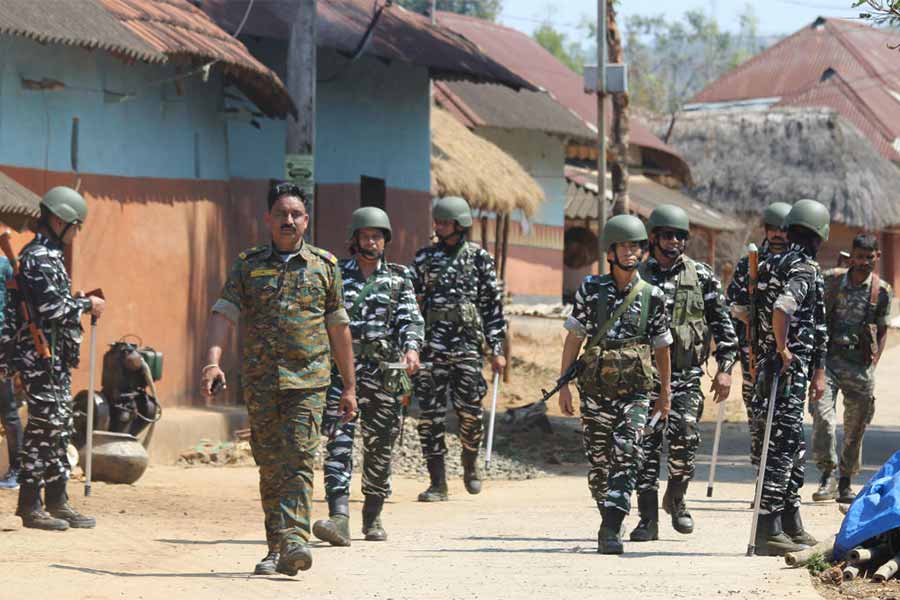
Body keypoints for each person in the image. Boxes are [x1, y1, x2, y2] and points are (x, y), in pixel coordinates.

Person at [202, 182, 357, 577]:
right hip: (262, 381)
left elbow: (338, 328)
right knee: (270, 466)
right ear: (268, 219)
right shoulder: (248, 265)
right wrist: (213, 362)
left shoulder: (325, 266)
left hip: (309, 382)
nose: (288, 220)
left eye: (296, 214)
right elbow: (224, 313)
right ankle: (276, 548)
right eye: (281, 214)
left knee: (300, 460)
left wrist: (350, 385)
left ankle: (295, 540)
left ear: (306, 220)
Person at [559, 214, 672, 554]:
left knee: (627, 451)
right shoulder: (591, 290)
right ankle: (611, 510)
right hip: (595, 392)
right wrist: (563, 384)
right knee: (599, 465)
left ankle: (609, 527)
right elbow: (573, 338)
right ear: (610, 251)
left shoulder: (653, 295)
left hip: (636, 392)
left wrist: (664, 392)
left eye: (635, 245)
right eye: (623, 245)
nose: (630, 252)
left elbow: (662, 346)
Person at [312, 207, 424, 546]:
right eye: (365, 236)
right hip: (342, 375)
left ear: (384, 240)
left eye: (377, 236)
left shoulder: (399, 278)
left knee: (380, 447)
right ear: (355, 239)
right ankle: (339, 517)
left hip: (383, 376)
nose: (371, 241)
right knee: (338, 446)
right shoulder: (335, 275)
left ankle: (373, 515)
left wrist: (412, 348)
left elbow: (411, 320)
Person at [631, 205, 738, 541]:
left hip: (687, 374)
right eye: (667, 235)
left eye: (680, 236)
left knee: (686, 437)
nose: (674, 241)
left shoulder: (702, 276)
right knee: (645, 445)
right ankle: (647, 518)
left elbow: (724, 326)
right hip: (644, 375)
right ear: (653, 238)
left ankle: (676, 499)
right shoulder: (637, 275)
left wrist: (725, 369)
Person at [3, 187, 105, 529]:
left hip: (55, 358)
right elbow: (52, 309)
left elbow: (52, 303)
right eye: (75, 226)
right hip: (39, 357)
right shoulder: (39, 258)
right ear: (60, 220)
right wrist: (87, 304)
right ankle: (30, 505)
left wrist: (73, 300)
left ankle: (58, 499)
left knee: (61, 426)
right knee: (44, 425)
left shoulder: (51, 258)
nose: (76, 234)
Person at [734, 198, 829, 556]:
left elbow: (813, 323)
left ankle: (789, 521)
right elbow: (782, 308)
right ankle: (766, 529)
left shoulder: (773, 263)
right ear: (819, 235)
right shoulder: (803, 268)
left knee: (794, 448)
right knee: (781, 448)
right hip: (784, 371)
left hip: (777, 369)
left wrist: (815, 368)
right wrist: (784, 347)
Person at [410, 196, 506, 502]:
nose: (439, 227)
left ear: (460, 225)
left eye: (445, 222)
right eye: (437, 222)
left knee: (470, 415)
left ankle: (469, 463)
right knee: (430, 418)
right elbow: (411, 305)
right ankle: (437, 483)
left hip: (467, 349)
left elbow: (492, 307)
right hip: (432, 350)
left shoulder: (480, 259)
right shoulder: (424, 259)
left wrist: (497, 348)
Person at [811, 234, 891, 503]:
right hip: (829, 362)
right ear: (852, 256)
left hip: (859, 366)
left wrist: (874, 361)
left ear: (877, 257)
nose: (864, 262)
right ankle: (827, 474)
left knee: (856, 427)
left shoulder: (881, 291)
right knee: (823, 418)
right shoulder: (832, 280)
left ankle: (845, 480)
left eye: (870, 258)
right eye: (859, 257)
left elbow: (882, 328)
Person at [725, 202, 792, 464]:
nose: (777, 235)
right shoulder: (748, 265)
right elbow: (731, 305)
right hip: (754, 353)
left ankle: (778, 485)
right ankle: (761, 480)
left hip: (787, 354)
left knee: (785, 420)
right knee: (758, 417)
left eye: (783, 230)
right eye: (772, 229)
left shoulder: (797, 266)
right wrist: (740, 311)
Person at [0, 244, 22, 490]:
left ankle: (18, 468)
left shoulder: (5, 266)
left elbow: (19, 301)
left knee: (7, 408)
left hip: (1, 343)